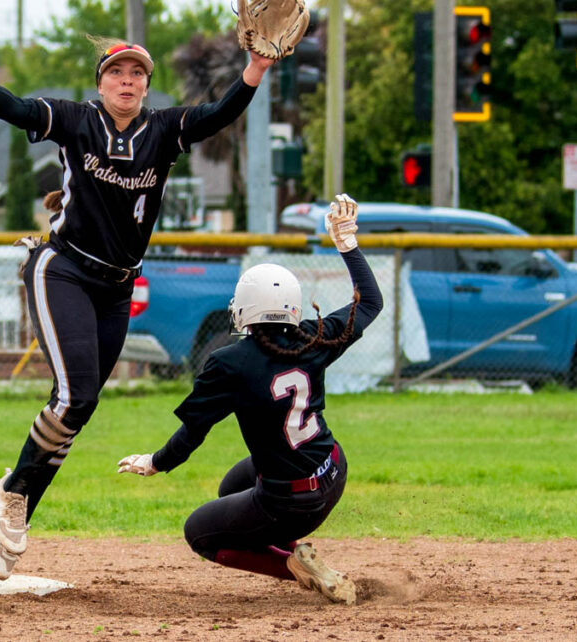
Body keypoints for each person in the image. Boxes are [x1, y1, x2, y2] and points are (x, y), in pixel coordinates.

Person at [0, 40, 273, 580]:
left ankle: (14, 498)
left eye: (138, 72)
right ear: (101, 83)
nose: (128, 80)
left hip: (115, 288)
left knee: (80, 406)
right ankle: (17, 494)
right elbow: (17, 108)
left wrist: (253, 70)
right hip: (61, 270)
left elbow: (218, 114)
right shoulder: (78, 121)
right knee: (74, 396)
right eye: (117, 71)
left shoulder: (162, 130)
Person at [117, 194, 382, 605]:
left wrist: (154, 463)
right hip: (332, 470)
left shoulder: (230, 362)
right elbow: (371, 302)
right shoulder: (314, 336)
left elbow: (192, 434)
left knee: (199, 534)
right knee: (231, 488)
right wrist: (347, 245)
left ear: (243, 309)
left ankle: (294, 564)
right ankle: (293, 547)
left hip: (291, 501)